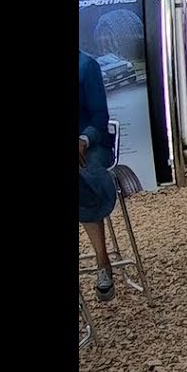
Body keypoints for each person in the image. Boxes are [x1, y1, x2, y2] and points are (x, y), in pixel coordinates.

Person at [79, 51, 119, 301]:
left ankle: (102, 262)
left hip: (91, 145)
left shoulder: (87, 65)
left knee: (83, 180)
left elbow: (100, 117)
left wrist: (84, 139)